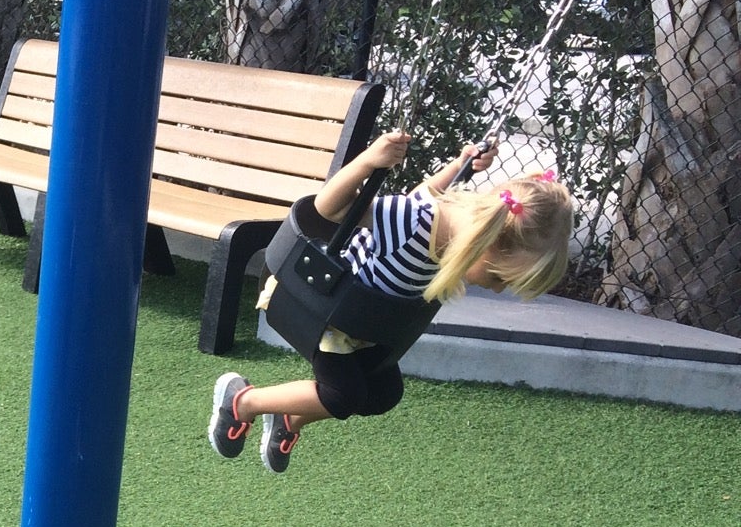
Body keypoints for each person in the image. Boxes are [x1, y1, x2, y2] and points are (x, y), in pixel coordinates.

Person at [209, 131, 574, 474]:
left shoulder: (447, 225)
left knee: (384, 394)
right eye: (499, 278)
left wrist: (459, 163)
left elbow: (427, 192)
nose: (495, 290)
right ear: (488, 242)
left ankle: (288, 417)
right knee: (341, 395)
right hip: (327, 311)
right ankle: (242, 401)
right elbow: (328, 210)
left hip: (365, 326)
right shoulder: (414, 223)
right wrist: (369, 161)